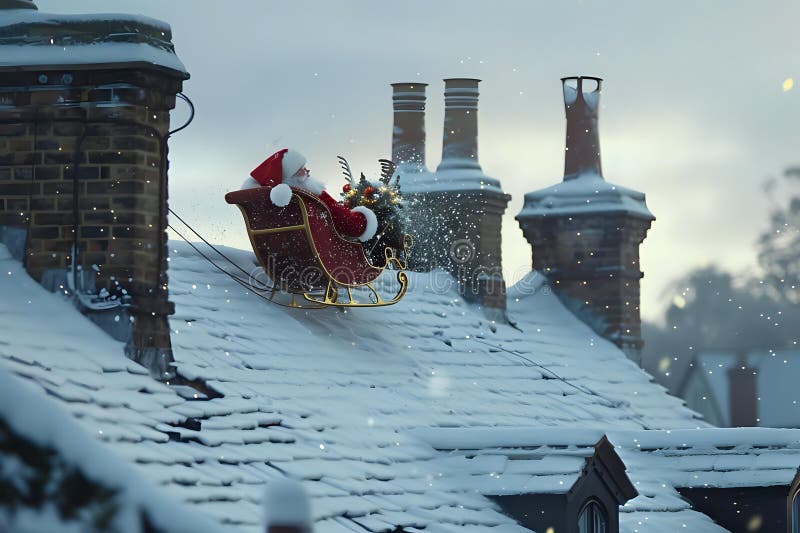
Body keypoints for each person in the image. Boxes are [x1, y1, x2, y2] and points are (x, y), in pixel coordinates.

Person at [243, 148, 377, 242]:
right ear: (291, 174)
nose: (308, 171)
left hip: (283, 252)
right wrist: (365, 219)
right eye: (302, 168)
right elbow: (348, 224)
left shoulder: (271, 202)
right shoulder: (312, 195)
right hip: (322, 253)